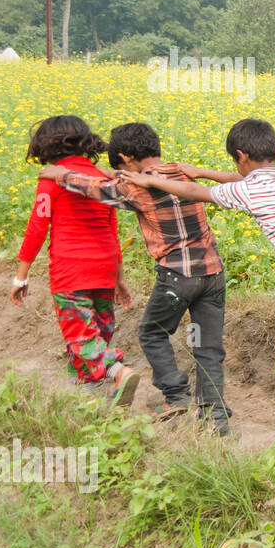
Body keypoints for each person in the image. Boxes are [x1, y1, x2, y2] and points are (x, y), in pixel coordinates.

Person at [121, 119, 275, 450]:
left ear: (240, 155)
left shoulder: (248, 189)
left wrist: (148, 179)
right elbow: (241, 178)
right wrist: (202, 171)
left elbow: (196, 193)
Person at [39, 122, 231, 435]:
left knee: (152, 333)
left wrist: (58, 175)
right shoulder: (181, 172)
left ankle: (175, 395)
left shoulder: (136, 187)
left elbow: (96, 189)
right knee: (208, 347)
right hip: (212, 274)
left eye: (119, 166)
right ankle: (216, 421)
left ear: (128, 159)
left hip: (177, 278)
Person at [11, 115, 138, 405]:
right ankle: (87, 398)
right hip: (105, 266)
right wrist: (119, 279)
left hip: (72, 269)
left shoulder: (52, 178)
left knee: (80, 334)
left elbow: (37, 228)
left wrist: (21, 276)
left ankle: (118, 370)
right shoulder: (103, 177)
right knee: (99, 329)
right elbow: (112, 231)